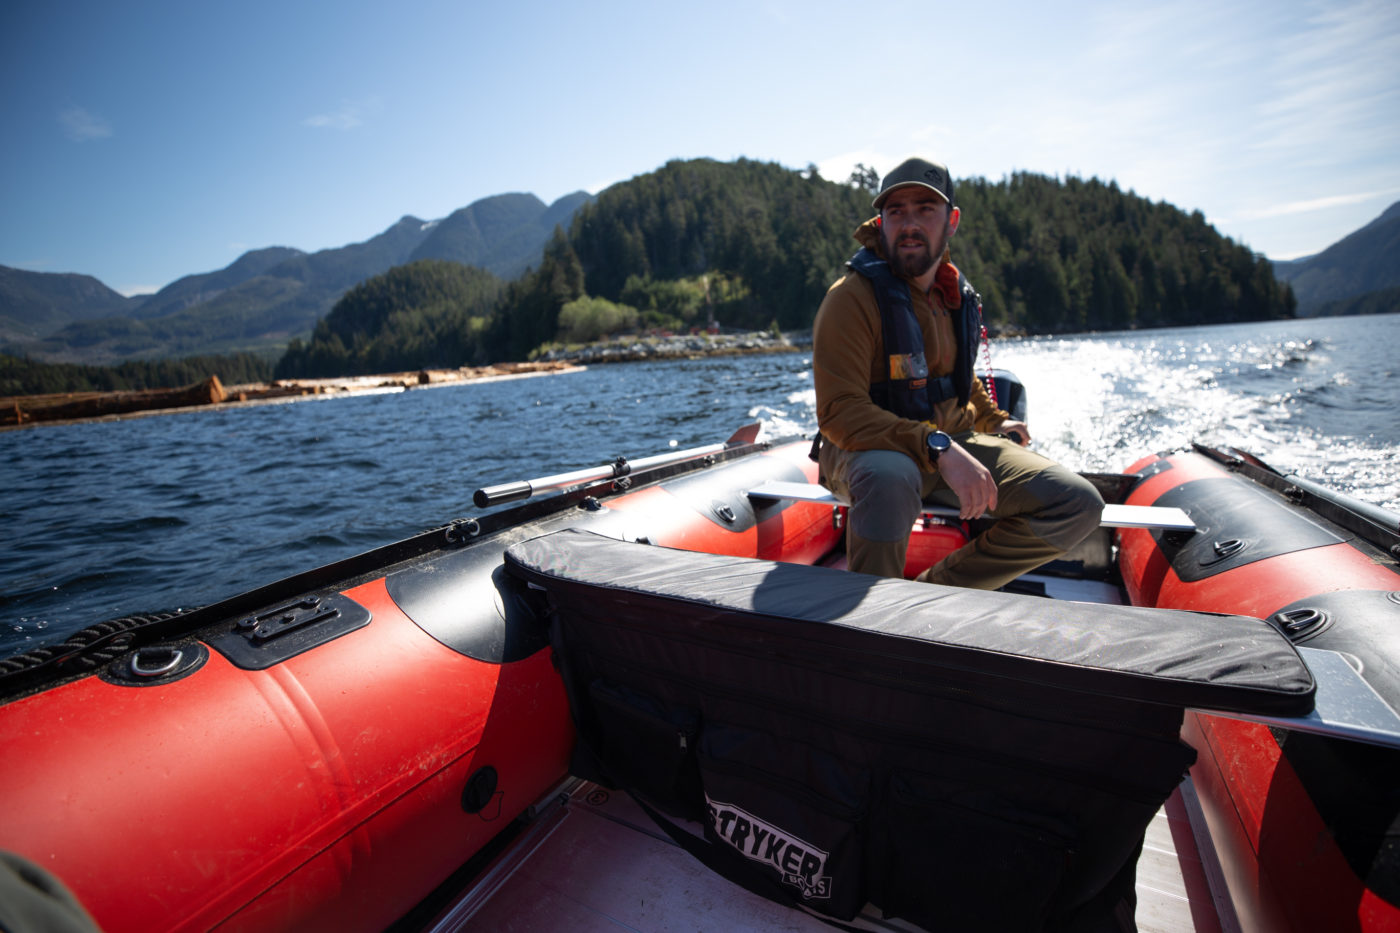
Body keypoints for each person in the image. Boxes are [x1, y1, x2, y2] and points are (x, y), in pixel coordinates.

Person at [812, 157, 1103, 590]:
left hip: (946, 441)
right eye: (896, 211)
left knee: (1077, 503)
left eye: (925, 209)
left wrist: (995, 420)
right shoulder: (851, 299)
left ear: (952, 221)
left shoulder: (951, 295)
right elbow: (840, 413)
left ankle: (935, 593)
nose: (909, 223)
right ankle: (872, 623)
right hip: (865, 450)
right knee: (891, 475)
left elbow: (956, 383)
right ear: (882, 221)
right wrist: (938, 448)